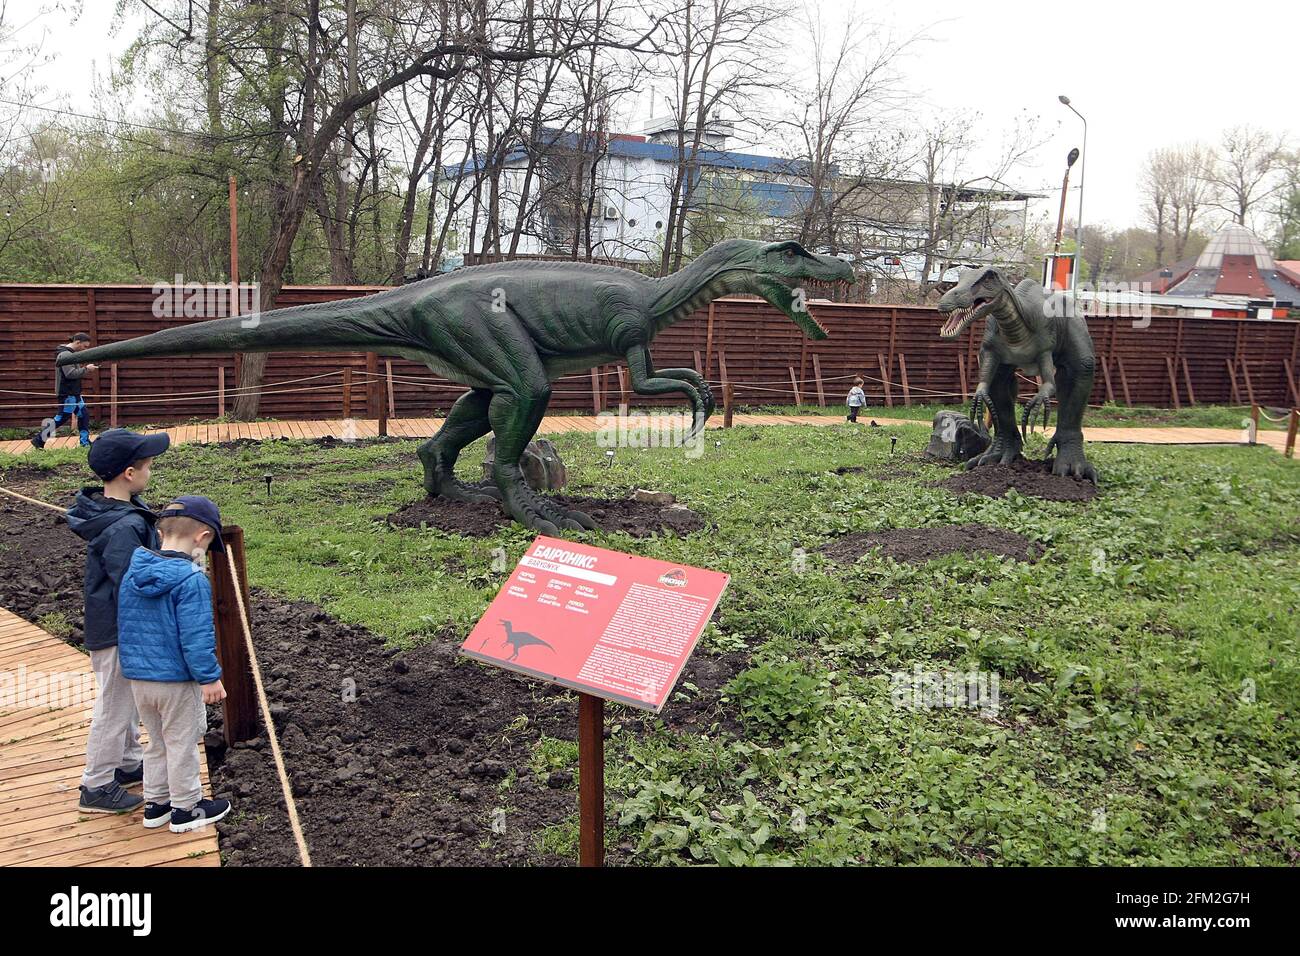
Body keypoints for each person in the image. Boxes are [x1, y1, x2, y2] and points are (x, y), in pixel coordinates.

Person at [65, 428, 171, 814]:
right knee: (114, 705)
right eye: (148, 465)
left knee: (123, 702)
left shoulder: (115, 513)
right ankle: (94, 784)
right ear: (129, 473)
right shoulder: (124, 526)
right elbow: (133, 579)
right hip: (119, 630)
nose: (151, 470)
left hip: (113, 626)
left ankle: (126, 762)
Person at [117, 496, 231, 833]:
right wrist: (209, 678)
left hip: (140, 679)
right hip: (176, 681)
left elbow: (126, 625)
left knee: (156, 740)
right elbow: (196, 637)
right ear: (202, 537)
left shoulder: (133, 571)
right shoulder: (191, 579)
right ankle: (187, 808)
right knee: (183, 741)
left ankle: (157, 803)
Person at [32, 332, 98, 448]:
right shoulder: (65, 355)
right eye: (85, 346)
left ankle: (85, 442)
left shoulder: (70, 353)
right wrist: (87, 369)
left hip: (74, 392)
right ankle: (38, 440)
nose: (85, 349)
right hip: (67, 393)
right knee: (61, 418)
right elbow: (70, 374)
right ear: (77, 342)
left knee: (84, 415)